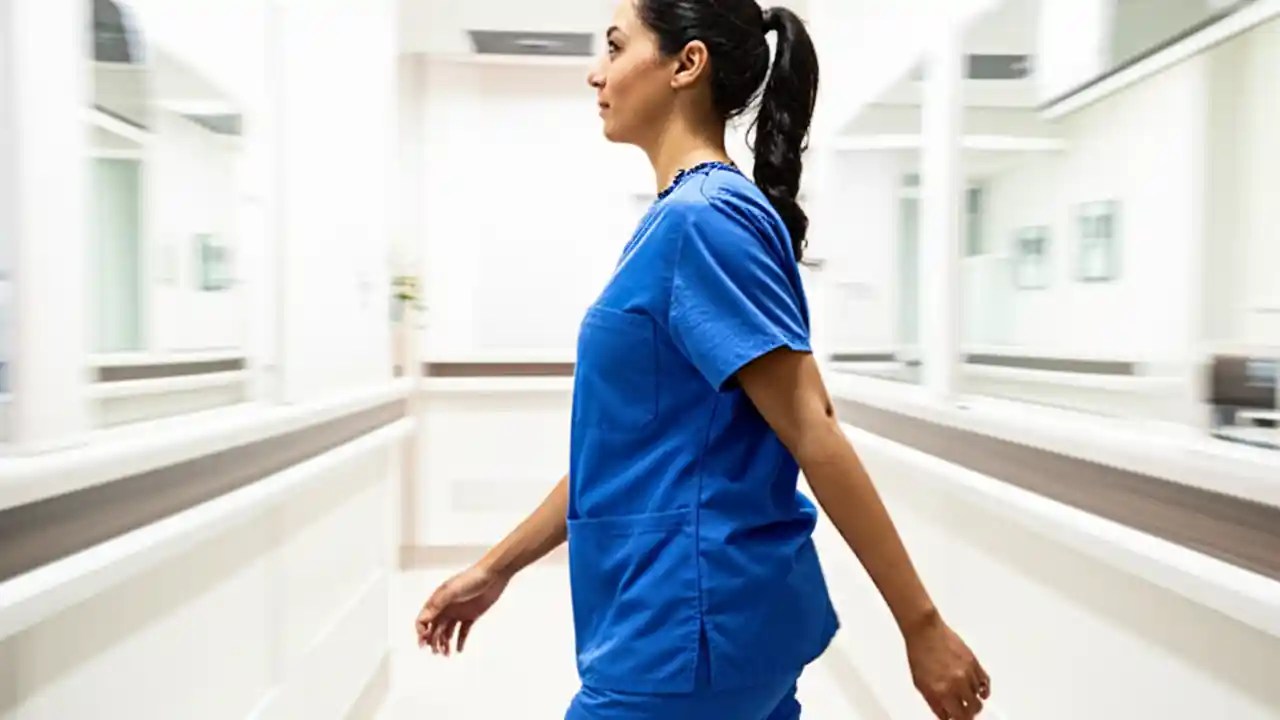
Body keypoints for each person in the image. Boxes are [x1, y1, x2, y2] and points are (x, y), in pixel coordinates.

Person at [415, 1, 992, 718]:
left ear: (687, 64)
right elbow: (624, 455)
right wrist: (493, 569)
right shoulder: (684, 219)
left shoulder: (703, 221)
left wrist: (922, 626)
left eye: (617, 48)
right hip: (700, 623)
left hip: (684, 633)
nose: (597, 73)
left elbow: (813, 426)